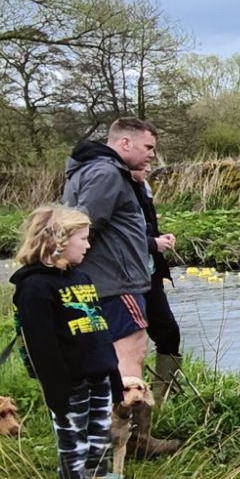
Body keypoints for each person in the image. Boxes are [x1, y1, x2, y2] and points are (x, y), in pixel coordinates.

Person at [62, 117, 179, 457]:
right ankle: (131, 443)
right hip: (117, 283)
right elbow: (83, 224)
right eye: (148, 148)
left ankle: (108, 441)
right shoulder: (107, 173)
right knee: (130, 363)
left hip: (101, 282)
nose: (152, 156)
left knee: (106, 365)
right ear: (125, 143)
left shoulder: (88, 170)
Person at [10, 204, 121, 479]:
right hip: (69, 385)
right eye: (83, 239)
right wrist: (56, 392)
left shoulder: (82, 278)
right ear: (56, 241)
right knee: (75, 450)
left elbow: (99, 332)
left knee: (102, 447)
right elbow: (43, 347)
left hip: (99, 377)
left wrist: (113, 376)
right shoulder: (35, 287)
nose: (88, 246)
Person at [129, 161, 184, 411]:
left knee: (169, 333)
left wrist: (159, 239)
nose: (149, 165)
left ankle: (160, 401)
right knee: (132, 345)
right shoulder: (116, 189)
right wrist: (152, 243)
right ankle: (129, 406)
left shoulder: (143, 189)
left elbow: (145, 228)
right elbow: (118, 236)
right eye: (145, 160)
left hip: (149, 274)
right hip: (126, 279)